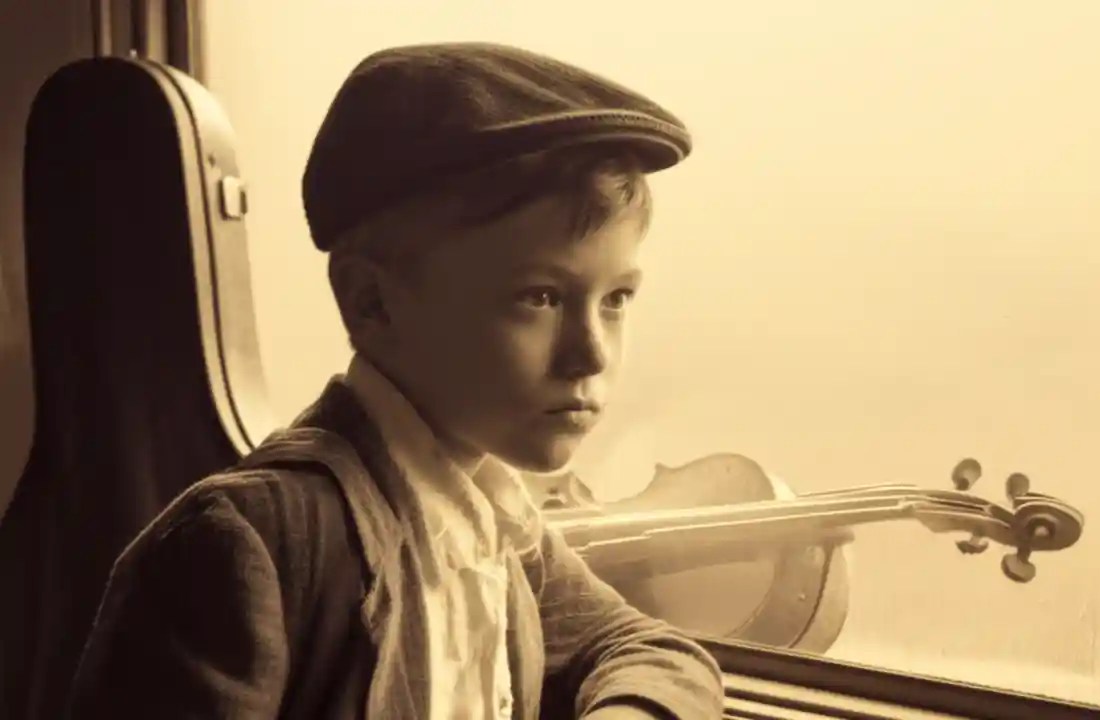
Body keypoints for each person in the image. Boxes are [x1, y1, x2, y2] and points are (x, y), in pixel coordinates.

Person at [65, 42, 724, 719]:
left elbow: (649, 649)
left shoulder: (493, 519)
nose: (591, 354)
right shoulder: (248, 546)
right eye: (540, 297)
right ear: (371, 304)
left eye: (616, 299)